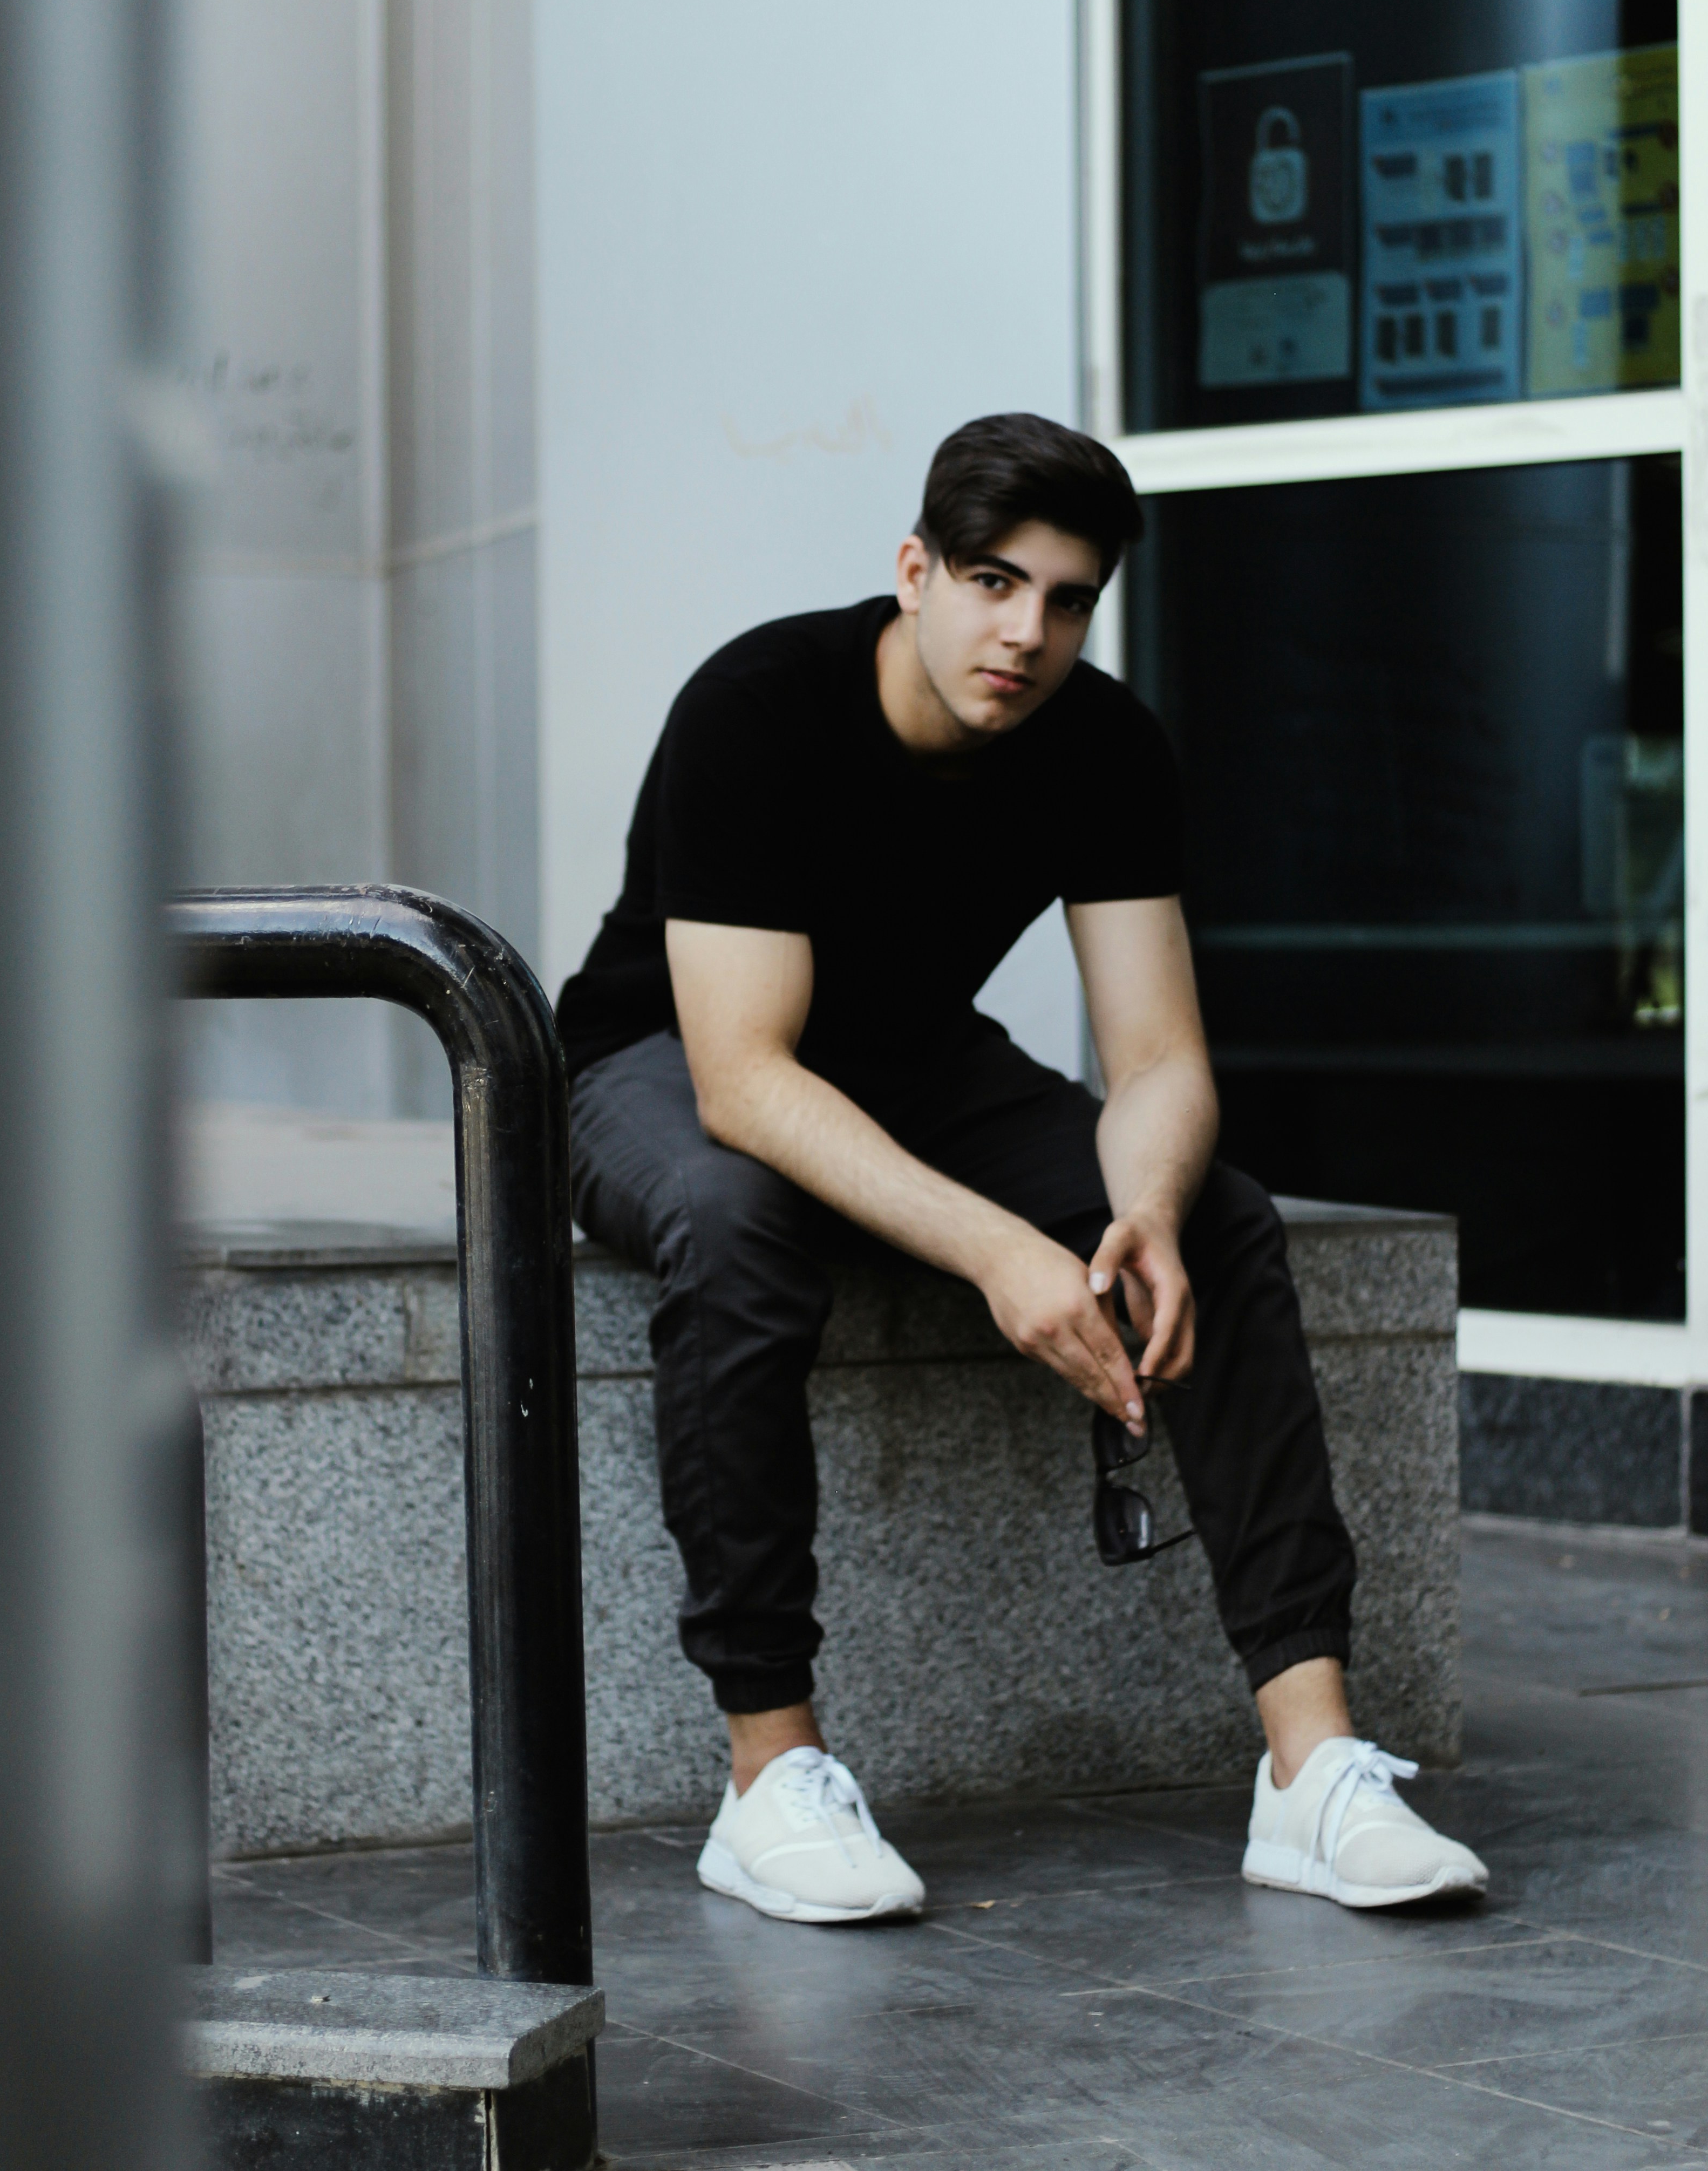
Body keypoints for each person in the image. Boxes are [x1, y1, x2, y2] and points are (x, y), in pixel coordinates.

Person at [559, 411, 1487, 1925]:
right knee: (735, 1223)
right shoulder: (759, 704)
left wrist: (1147, 1210)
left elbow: (1159, 1059)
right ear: (915, 570)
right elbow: (745, 1079)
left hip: (917, 1060)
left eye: (1066, 600)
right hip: (662, 1060)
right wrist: (1000, 1250)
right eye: (993, 583)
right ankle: (768, 1772)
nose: (1025, 634)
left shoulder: (1104, 744)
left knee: (1224, 1219)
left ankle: (1311, 1770)